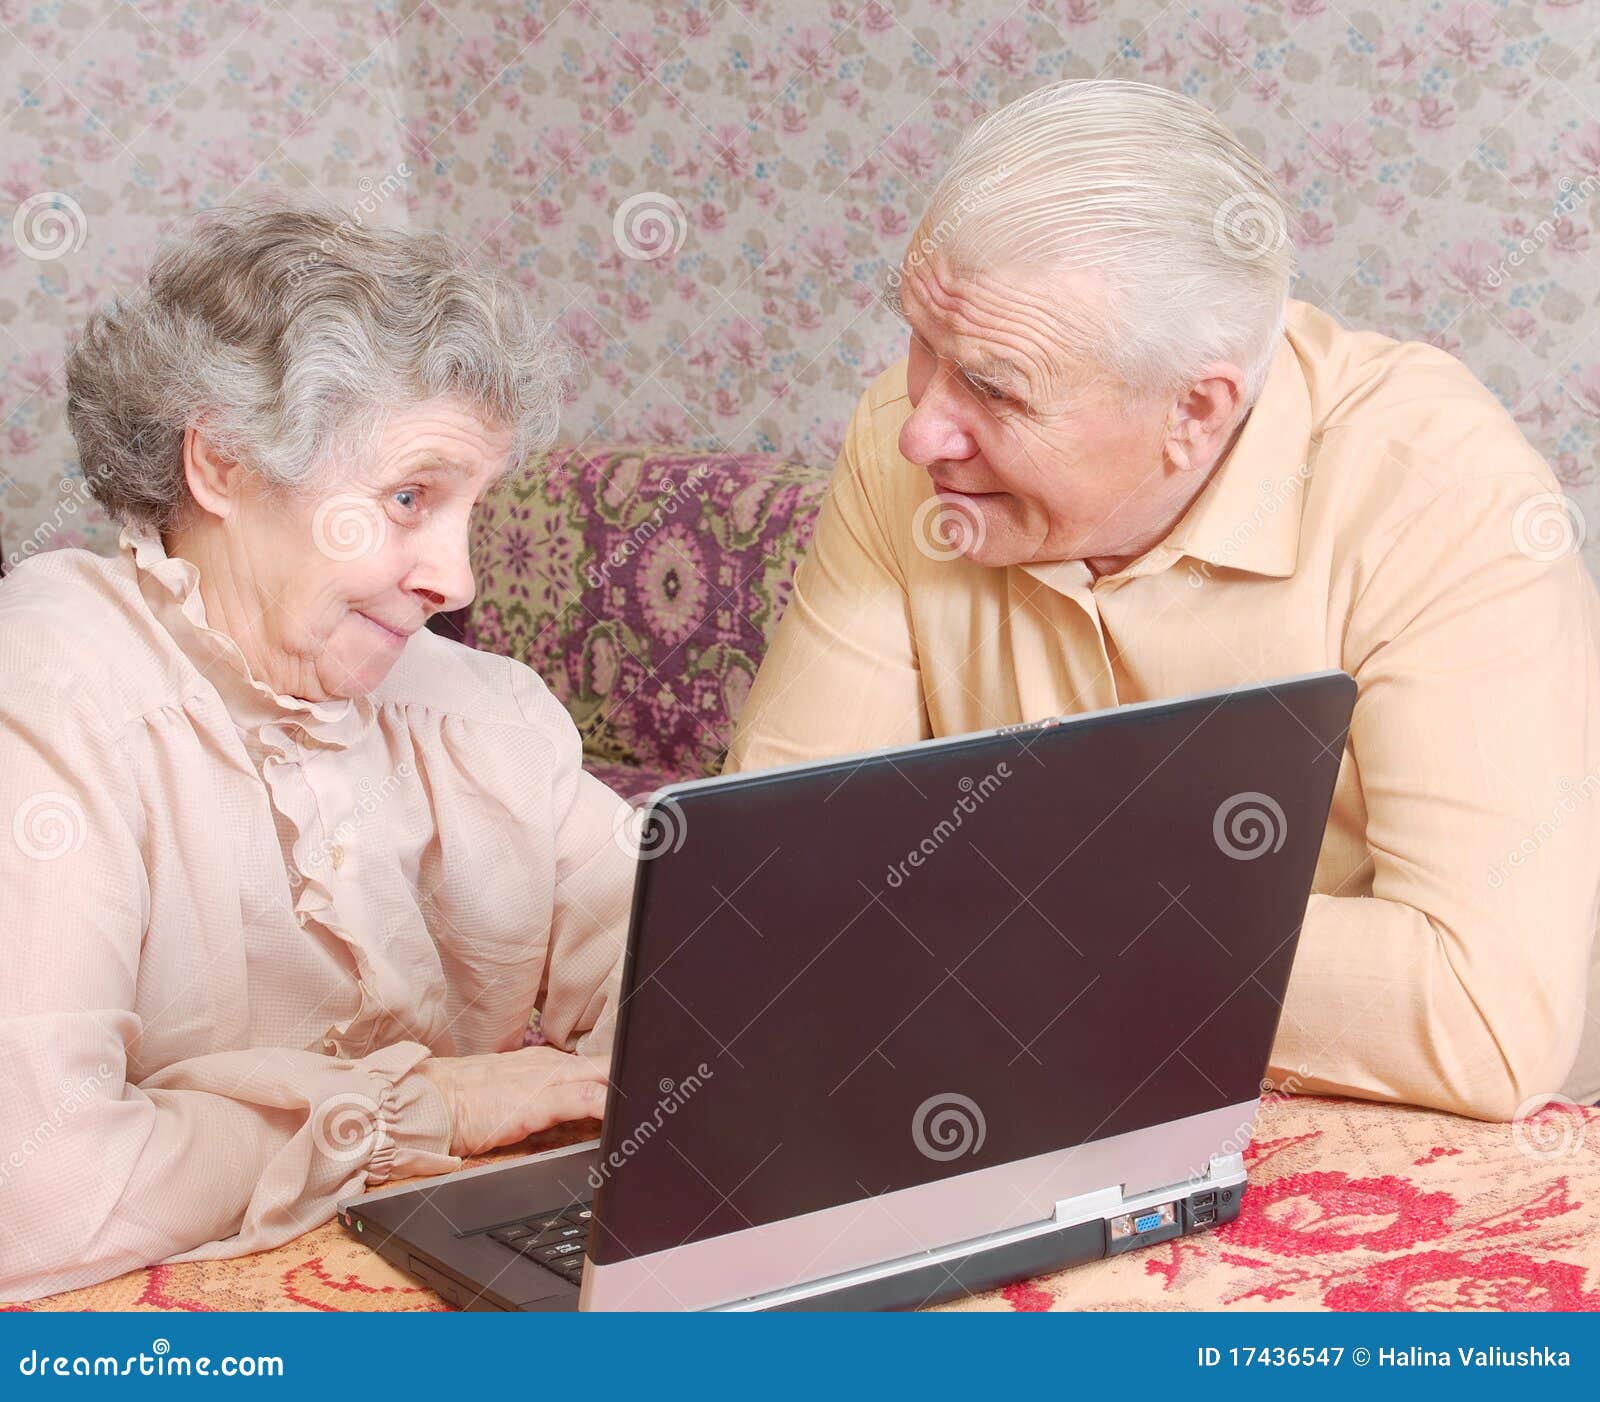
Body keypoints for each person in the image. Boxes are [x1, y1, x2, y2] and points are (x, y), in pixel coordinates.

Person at [726, 79, 1600, 1123]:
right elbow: (765, 893)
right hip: (1033, 1099)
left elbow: (1477, 1020)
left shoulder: (1436, 485)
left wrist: (993, 888)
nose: (923, 430)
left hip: (1415, 1136)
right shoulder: (906, 439)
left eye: (996, 389)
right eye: (922, 342)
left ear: (1193, 410)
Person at [0, 200, 634, 1301]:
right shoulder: (53, 697)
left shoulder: (481, 714)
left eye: (469, 509)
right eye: (407, 498)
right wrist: (422, 1109)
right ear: (226, 465)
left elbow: (694, 985)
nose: (459, 580)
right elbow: (34, 1190)